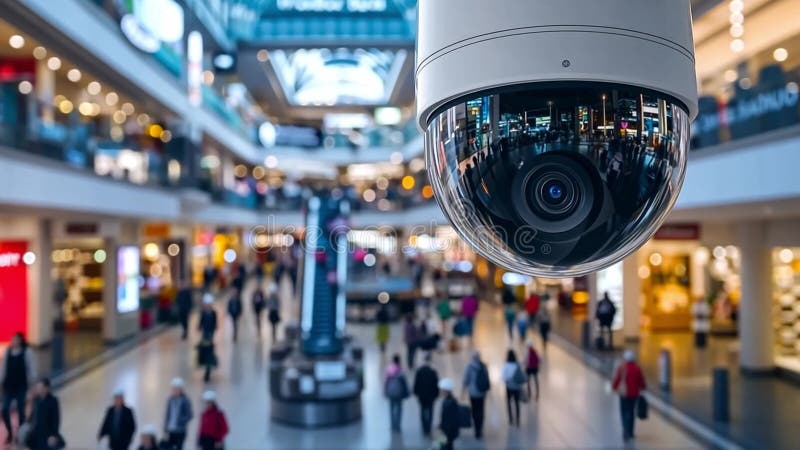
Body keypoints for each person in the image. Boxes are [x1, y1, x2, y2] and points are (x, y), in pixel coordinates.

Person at [1, 332, 36, 443]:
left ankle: (20, 435)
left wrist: (33, 384)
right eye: (13, 339)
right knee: (5, 409)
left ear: (20, 340)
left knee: (21, 411)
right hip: (9, 387)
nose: (14, 341)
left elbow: (31, 367)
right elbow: (3, 367)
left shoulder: (27, 352)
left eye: (16, 339)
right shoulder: (8, 351)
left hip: (21, 387)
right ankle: (10, 433)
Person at [612, 350, 647, 441]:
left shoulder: (622, 368)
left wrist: (614, 388)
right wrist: (643, 387)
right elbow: (641, 381)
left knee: (624, 412)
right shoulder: (637, 368)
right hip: (634, 394)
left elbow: (617, 379)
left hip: (624, 394)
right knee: (631, 412)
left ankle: (625, 430)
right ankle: (631, 432)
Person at [461, 352, 489, 438]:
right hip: (481, 392)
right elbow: (487, 378)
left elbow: (466, 380)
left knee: (474, 409)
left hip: (473, 393)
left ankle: (476, 427)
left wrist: (463, 391)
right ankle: (479, 428)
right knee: (481, 410)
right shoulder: (483, 366)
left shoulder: (469, 366)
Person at [27, 378, 61, 450]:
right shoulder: (36, 400)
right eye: (38, 388)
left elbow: (56, 420)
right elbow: (31, 418)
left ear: (47, 388)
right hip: (36, 433)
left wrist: (53, 435)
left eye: (41, 388)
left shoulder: (53, 401)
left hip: (48, 433)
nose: (39, 390)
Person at [412, 353, 439, 436]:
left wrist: (416, 392)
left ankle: (424, 428)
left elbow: (416, 383)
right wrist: (436, 394)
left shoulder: (419, 371)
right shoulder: (433, 372)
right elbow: (436, 384)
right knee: (430, 411)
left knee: (422, 410)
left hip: (422, 396)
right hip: (431, 396)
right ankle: (428, 427)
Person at [163, 377, 193, 450]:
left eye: (177, 389)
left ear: (181, 390)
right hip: (171, 429)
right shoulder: (170, 400)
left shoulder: (185, 400)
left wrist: (181, 421)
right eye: (173, 389)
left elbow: (189, 415)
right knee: (169, 447)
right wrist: (165, 426)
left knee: (179, 447)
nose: (175, 391)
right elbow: (168, 414)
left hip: (180, 431)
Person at [384, 354, 410, 432]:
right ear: (399, 361)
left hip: (391, 392)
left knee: (391, 408)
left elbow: (386, 382)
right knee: (399, 409)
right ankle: (398, 425)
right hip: (399, 392)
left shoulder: (389, 369)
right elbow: (404, 383)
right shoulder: (401, 370)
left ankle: (392, 425)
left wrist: (385, 391)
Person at [501, 349, 525, 427]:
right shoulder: (517, 364)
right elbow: (521, 375)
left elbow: (504, 377)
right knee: (517, 403)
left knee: (508, 403)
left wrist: (508, 380)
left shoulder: (506, 365)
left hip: (509, 387)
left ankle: (511, 418)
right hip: (517, 387)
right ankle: (518, 419)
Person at [437, 378, 460, 450]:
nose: (441, 392)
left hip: (448, 431)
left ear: (446, 391)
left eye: (442, 390)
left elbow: (451, 418)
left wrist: (444, 428)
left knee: (445, 446)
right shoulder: (448, 401)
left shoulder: (450, 402)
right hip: (447, 431)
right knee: (446, 446)